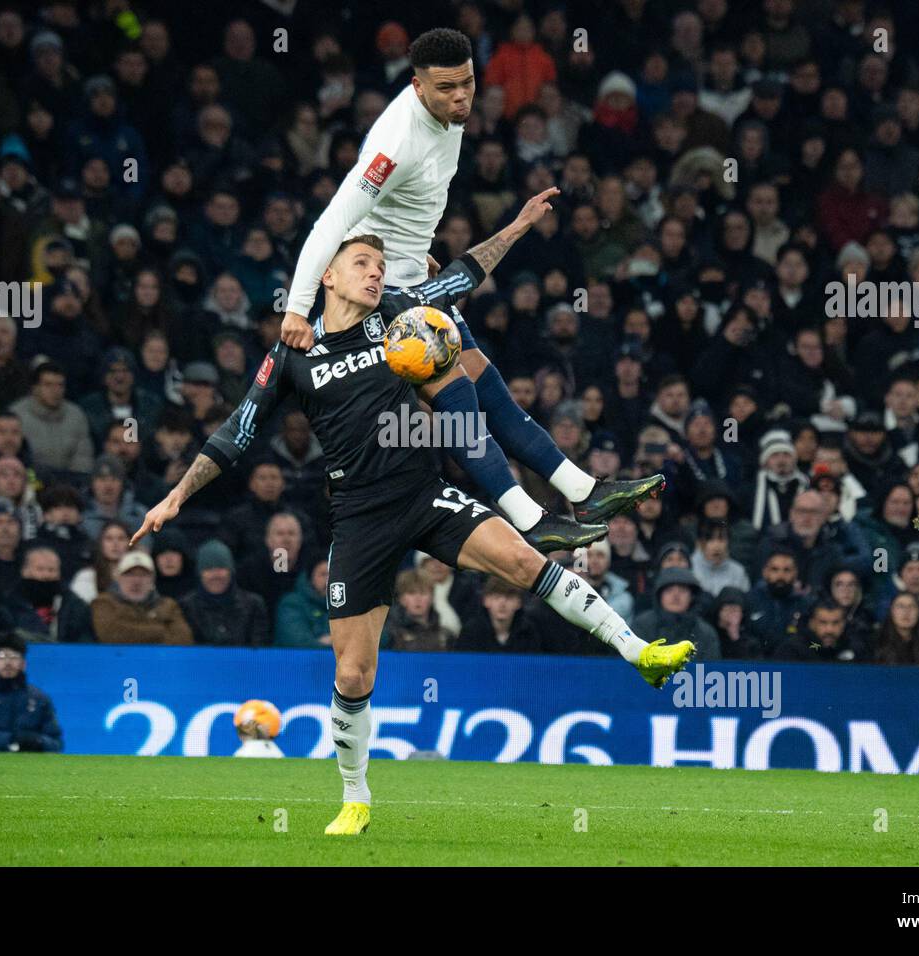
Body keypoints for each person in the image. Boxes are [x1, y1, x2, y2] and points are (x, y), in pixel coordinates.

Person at [131, 201, 694, 836]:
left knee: (524, 560)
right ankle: (355, 795)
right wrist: (177, 495)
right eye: (361, 264)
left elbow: (460, 276)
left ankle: (640, 650)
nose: (375, 273)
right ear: (328, 277)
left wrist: (514, 228)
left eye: (378, 263)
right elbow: (239, 430)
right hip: (359, 518)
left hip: (423, 493)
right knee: (352, 672)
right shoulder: (295, 349)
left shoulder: (397, 314)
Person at [278, 28, 661, 552]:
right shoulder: (394, 143)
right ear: (417, 87)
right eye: (446, 89)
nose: (461, 97)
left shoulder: (450, 115)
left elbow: (415, 201)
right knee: (457, 397)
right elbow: (331, 224)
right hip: (381, 289)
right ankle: (528, 518)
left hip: (416, 275)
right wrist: (297, 310)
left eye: (468, 83)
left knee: (487, 382)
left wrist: (418, 248)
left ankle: (583, 490)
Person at [90, 551, 193, 645]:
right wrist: (160, 630)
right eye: (130, 574)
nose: (136, 581)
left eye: (143, 575)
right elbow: (111, 634)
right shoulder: (104, 603)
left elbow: (184, 639)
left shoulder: (168, 605)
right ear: (118, 578)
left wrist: (131, 627)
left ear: (152, 579)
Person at [178, 540, 269, 646]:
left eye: (221, 568)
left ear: (231, 571)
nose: (216, 575)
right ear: (200, 574)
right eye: (209, 569)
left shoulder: (253, 605)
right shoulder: (185, 607)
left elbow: (260, 649)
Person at [874, 592, 919, 665]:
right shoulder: (875, 643)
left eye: (912, 606)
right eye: (900, 606)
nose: (906, 612)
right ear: (891, 611)